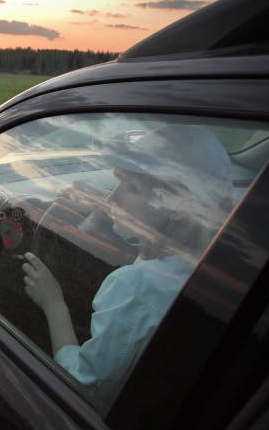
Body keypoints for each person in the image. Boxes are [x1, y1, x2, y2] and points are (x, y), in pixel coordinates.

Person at [22, 124, 234, 407]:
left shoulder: (136, 289)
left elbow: (83, 386)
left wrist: (53, 303)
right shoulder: (212, 254)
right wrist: (100, 203)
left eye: (131, 188)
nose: (112, 197)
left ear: (177, 206)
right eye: (118, 184)